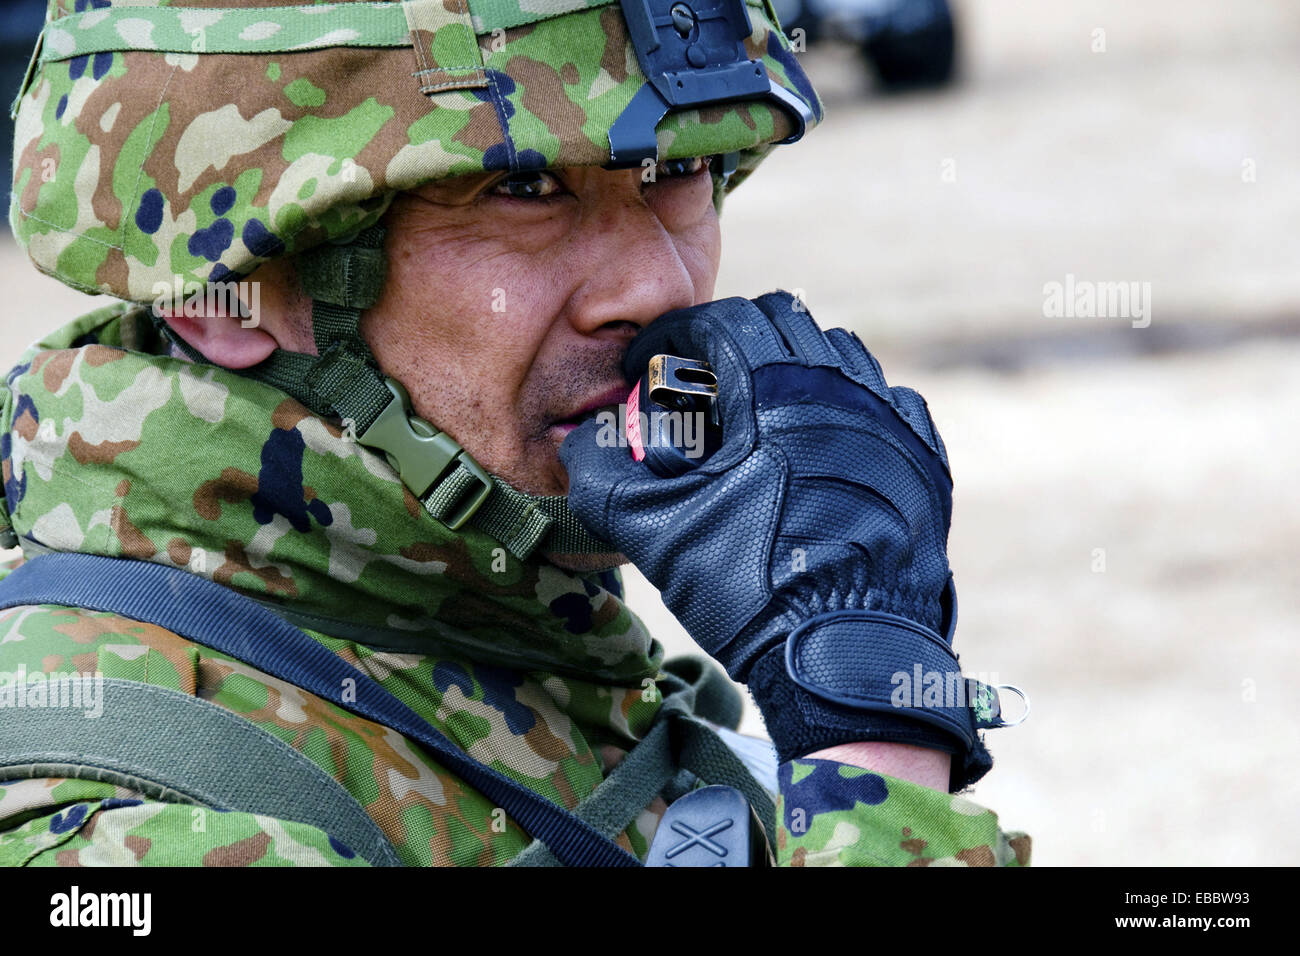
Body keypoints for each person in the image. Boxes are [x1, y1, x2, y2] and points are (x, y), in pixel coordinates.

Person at [0, 0, 1029, 867]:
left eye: (681, 174)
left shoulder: (497, 631)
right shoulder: (115, 810)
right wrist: (869, 739)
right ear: (225, 294)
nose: (659, 286)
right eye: (524, 190)